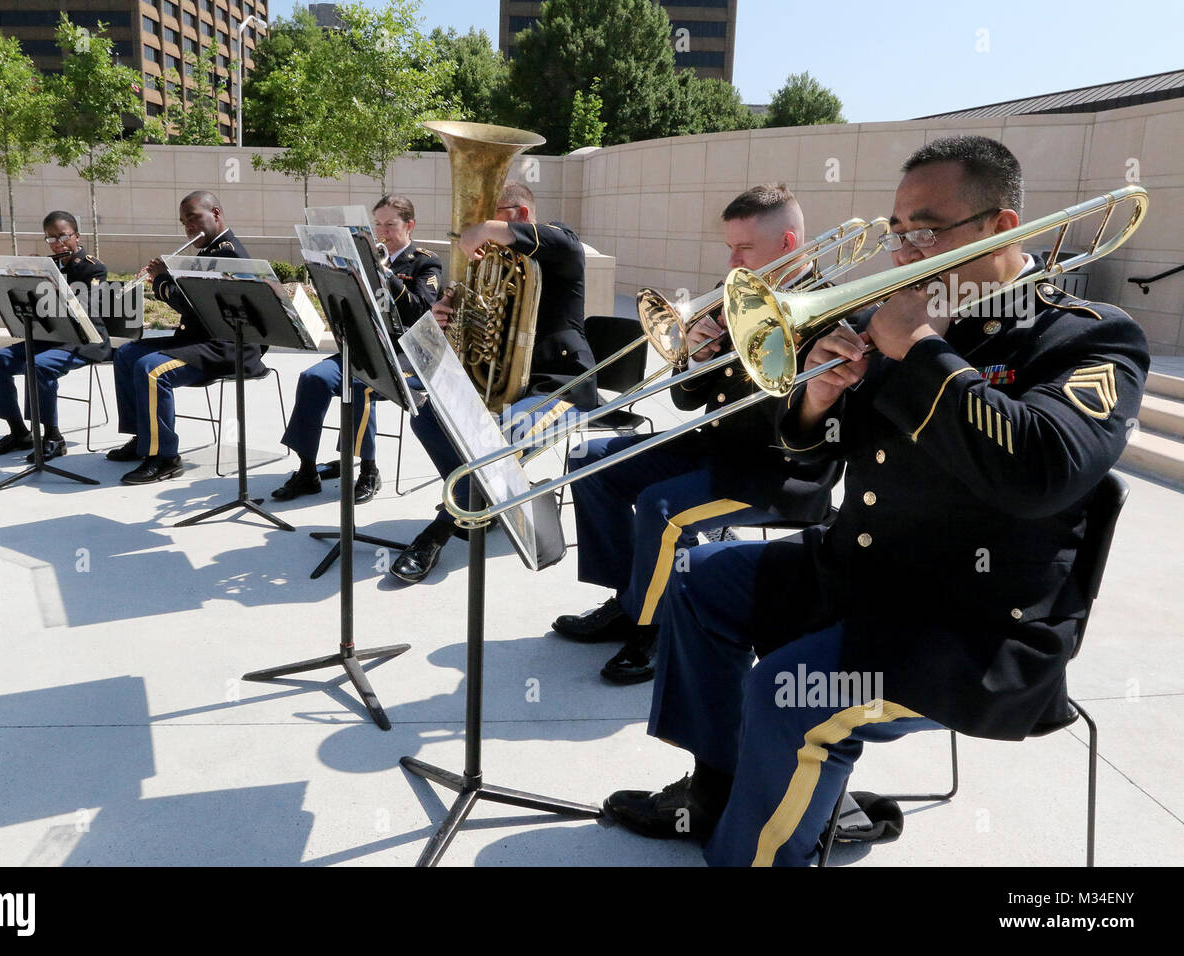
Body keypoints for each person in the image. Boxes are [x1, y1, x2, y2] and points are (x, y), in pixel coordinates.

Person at [604, 136, 1149, 866]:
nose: (901, 250)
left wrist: (923, 351)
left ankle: (756, 853)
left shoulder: (1087, 337)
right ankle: (722, 791)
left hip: (973, 627)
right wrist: (815, 400)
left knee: (788, 694)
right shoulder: (896, 320)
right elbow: (822, 449)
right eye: (896, 231)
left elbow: (1042, 470)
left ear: (999, 224)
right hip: (863, 574)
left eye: (924, 230)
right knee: (702, 584)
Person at [552, 185, 841, 685]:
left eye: (743, 248)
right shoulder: (739, 296)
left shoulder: (831, 311)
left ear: (789, 242)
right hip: (714, 449)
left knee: (663, 509)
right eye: (729, 247)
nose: (731, 261)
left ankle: (655, 626)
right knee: (588, 459)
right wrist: (694, 360)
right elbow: (687, 402)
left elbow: (817, 432)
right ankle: (632, 599)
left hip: (777, 474)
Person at [389, 181, 598, 584]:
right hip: (502, 386)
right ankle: (479, 503)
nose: (476, 222)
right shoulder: (495, 264)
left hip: (559, 387)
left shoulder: (562, 247)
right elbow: (469, 334)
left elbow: (565, 239)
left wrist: (480, 230)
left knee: (494, 443)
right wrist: (446, 316)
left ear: (518, 215)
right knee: (425, 417)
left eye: (490, 213)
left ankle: (437, 533)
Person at [272, 195, 441, 504]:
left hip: (405, 355)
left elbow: (419, 312)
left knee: (361, 385)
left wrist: (387, 275)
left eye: (390, 225)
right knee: (313, 379)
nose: (383, 233)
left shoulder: (424, 262)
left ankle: (368, 469)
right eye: (377, 225)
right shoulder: (360, 258)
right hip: (363, 346)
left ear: (409, 225)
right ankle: (307, 470)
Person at [106, 191, 262, 484]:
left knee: (151, 369)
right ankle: (144, 439)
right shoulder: (209, 251)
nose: (189, 228)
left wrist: (163, 280)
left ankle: (164, 457)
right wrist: (168, 276)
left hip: (226, 348)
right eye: (184, 223)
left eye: (194, 219)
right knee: (127, 354)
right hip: (200, 341)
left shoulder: (226, 252)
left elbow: (195, 306)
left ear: (215, 214)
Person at [0, 211, 108, 461]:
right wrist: (24, 278)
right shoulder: (47, 266)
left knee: (38, 365)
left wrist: (55, 286)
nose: (58, 243)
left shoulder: (94, 268)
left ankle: (53, 437)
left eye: (63, 236)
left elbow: (85, 306)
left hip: (86, 340)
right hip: (50, 337)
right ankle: (19, 432)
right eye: (51, 238)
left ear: (77, 236)